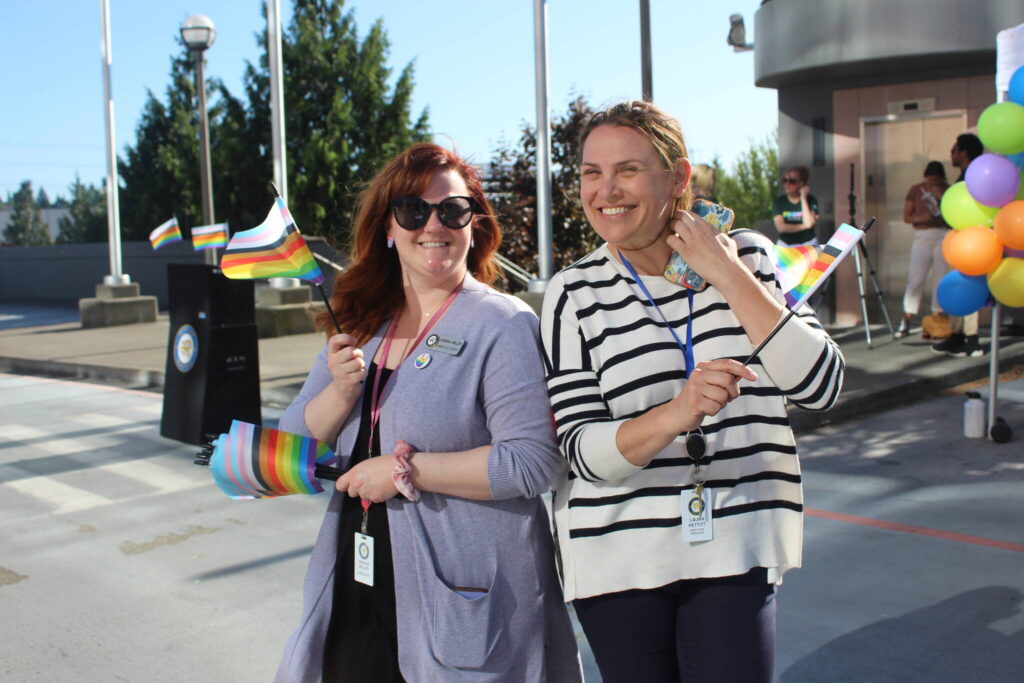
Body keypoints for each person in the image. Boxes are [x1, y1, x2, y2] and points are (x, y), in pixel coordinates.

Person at [540, 101, 845, 682]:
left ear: (677, 177)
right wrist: (677, 413)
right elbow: (580, 453)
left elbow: (821, 385)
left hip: (735, 539)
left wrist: (727, 272)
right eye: (590, 172)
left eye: (628, 169)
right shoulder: (572, 292)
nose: (606, 190)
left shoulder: (749, 254)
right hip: (617, 557)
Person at [275, 143, 581, 682]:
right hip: (358, 583)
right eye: (414, 210)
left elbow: (532, 462)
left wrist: (405, 473)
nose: (432, 224)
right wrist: (339, 394)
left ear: (474, 224)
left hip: (463, 596)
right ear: (388, 228)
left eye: (452, 210)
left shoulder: (502, 324)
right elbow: (289, 449)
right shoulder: (363, 322)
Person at [933, 133, 985, 357]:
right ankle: (957, 335)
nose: (951, 154)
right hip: (960, 239)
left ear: (964, 152)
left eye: (954, 150)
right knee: (958, 283)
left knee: (970, 283)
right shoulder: (967, 174)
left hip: (970, 240)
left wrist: (942, 196)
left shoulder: (973, 175)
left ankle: (972, 339)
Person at [894, 161, 951, 339]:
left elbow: (952, 213)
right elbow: (907, 216)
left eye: (937, 179)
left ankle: (936, 319)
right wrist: (922, 217)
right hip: (922, 235)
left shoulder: (947, 190)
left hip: (943, 234)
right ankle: (907, 317)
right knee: (916, 277)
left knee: (940, 277)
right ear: (925, 176)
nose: (933, 182)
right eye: (930, 178)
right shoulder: (916, 190)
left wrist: (941, 196)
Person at [771, 165, 820, 247]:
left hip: (808, 243)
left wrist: (803, 198)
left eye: (792, 181)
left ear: (801, 183)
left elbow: (809, 223)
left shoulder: (811, 200)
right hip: (785, 245)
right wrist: (805, 226)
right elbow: (781, 228)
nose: (787, 184)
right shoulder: (779, 202)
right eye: (785, 180)